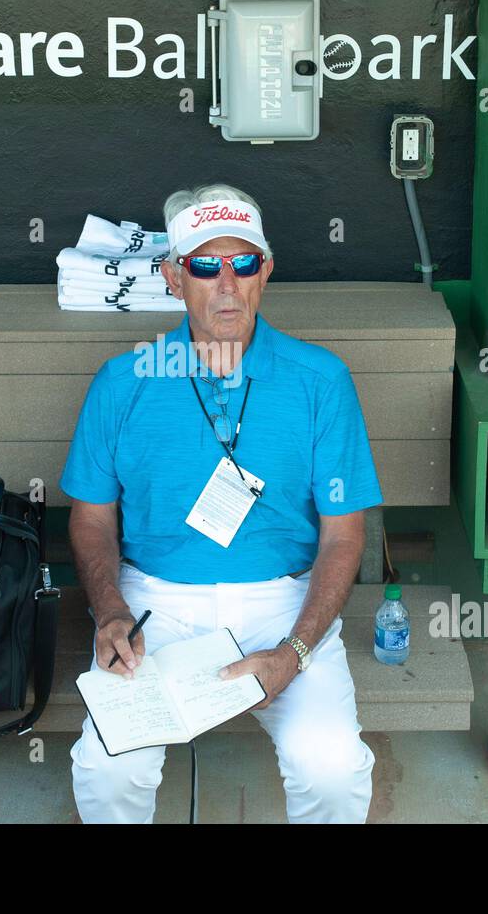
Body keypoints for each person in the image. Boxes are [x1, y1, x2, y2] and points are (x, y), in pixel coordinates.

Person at [61, 183, 382, 823]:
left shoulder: (320, 380)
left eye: (244, 263)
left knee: (333, 767)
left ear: (266, 270)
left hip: (283, 601)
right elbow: (92, 517)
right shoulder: (124, 381)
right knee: (107, 766)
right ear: (174, 278)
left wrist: (294, 652)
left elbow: (343, 535)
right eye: (206, 265)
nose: (227, 283)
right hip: (156, 603)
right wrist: (111, 612)